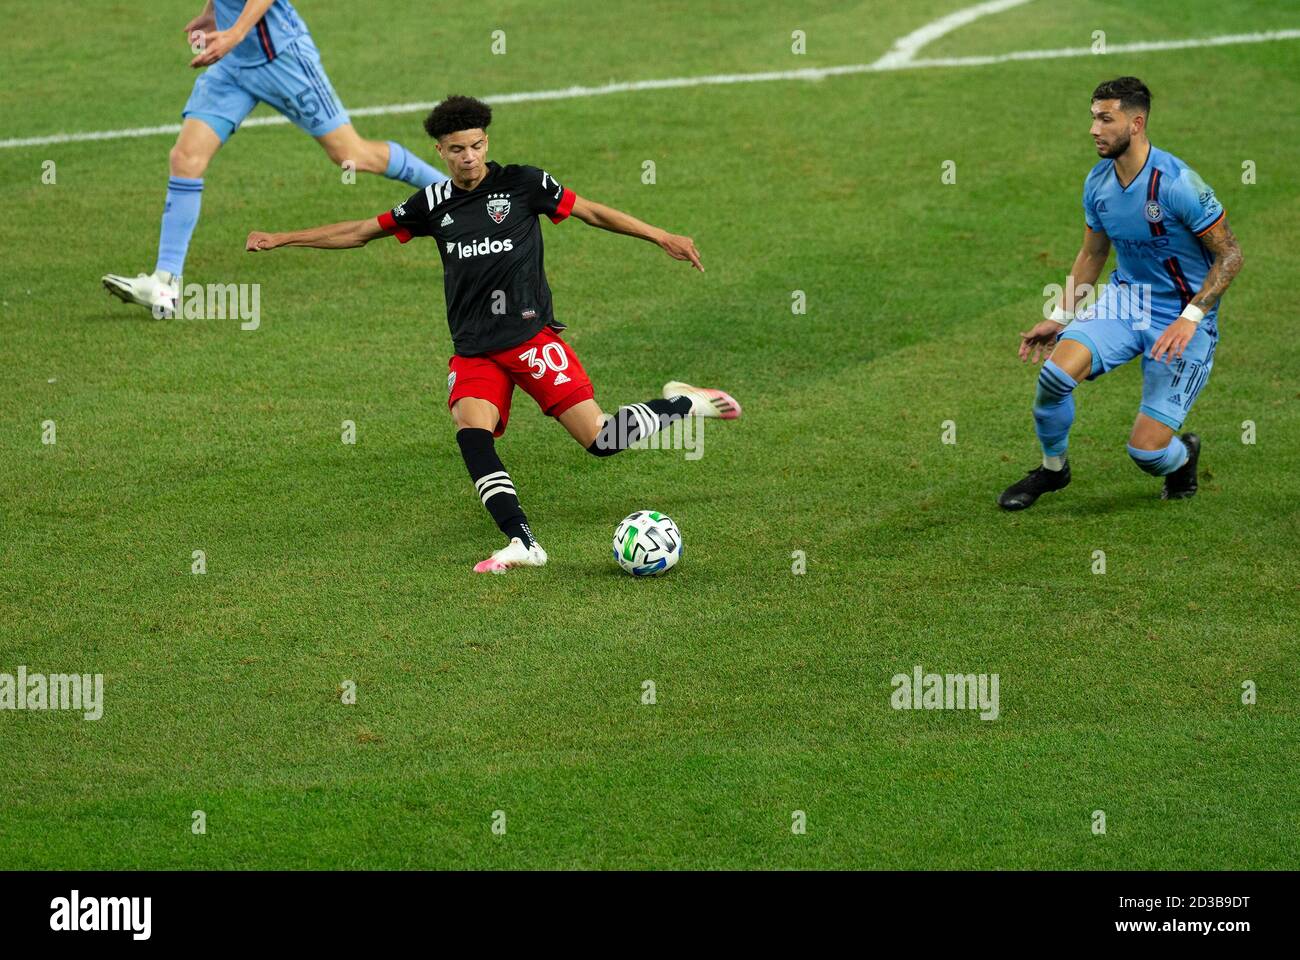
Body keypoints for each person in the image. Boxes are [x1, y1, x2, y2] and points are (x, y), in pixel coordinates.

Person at [245, 94, 742, 572]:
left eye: (477, 145)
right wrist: (284, 238)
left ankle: (685, 403)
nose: (469, 157)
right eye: (457, 149)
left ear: (487, 142)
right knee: (473, 435)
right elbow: (360, 231)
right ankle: (522, 541)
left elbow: (590, 211)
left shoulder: (524, 184)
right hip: (476, 352)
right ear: (439, 151)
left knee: (602, 440)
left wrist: (661, 236)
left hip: (531, 341)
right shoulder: (432, 203)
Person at [103, 0, 446, 316]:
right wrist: (212, 13)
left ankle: (458, 196)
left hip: (281, 59)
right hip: (234, 66)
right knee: (186, 158)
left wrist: (235, 32)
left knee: (351, 156)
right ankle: (166, 283)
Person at [1001, 77, 1243, 510]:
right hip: (1126, 301)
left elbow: (1230, 255)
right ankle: (1053, 470)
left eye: (1105, 119)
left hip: (1181, 317)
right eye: (1093, 118)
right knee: (1054, 377)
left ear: (1136, 123)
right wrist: (1059, 316)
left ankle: (1183, 456)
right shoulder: (1098, 183)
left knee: (1148, 454)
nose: (1094, 129)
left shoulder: (1177, 183)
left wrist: (1191, 318)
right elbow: (1093, 253)